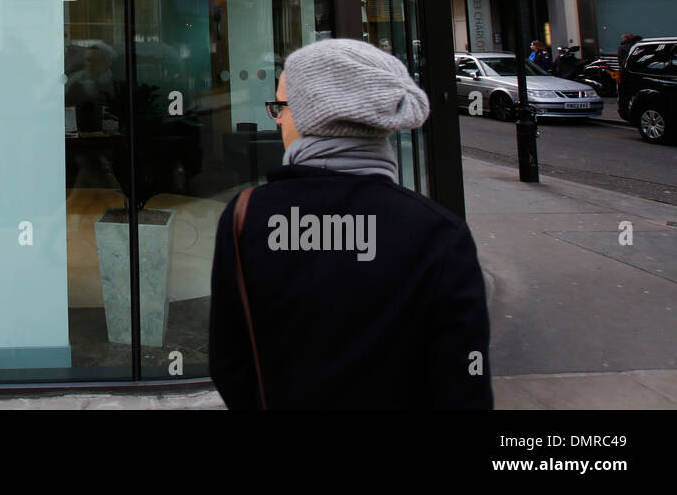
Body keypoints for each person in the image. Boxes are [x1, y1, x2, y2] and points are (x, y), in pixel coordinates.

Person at [208, 39, 492, 409]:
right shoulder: (439, 234)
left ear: (313, 115)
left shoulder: (246, 217)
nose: (277, 120)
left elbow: (229, 362)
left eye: (281, 107)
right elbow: (464, 384)